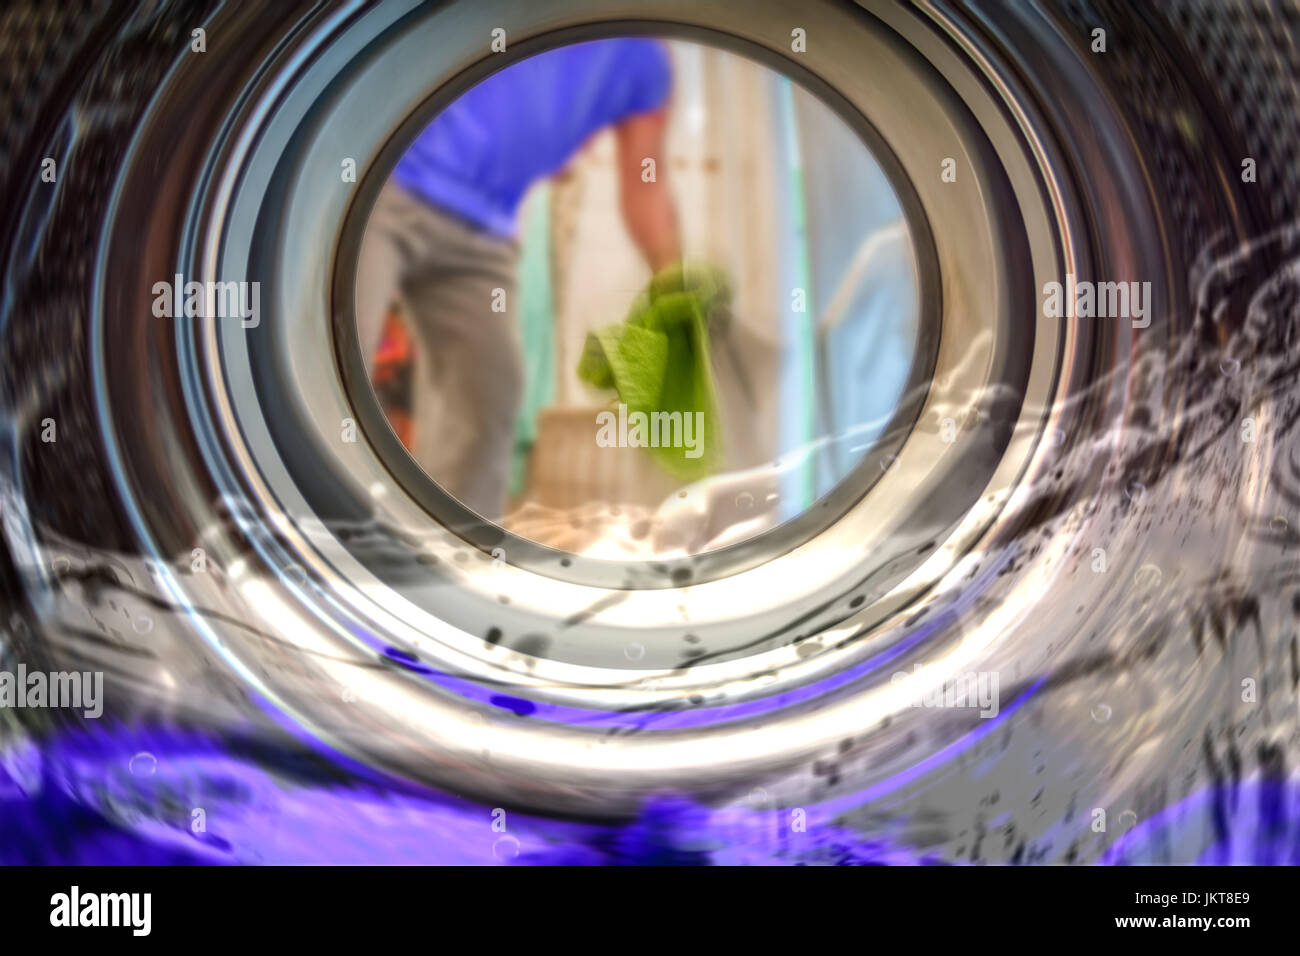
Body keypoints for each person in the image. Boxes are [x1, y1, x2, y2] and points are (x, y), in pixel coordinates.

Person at [356, 38, 680, 519]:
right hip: (387, 180)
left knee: (491, 395)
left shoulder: (649, 64)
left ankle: (452, 560)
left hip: (488, 227)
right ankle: (297, 531)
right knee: (333, 349)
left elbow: (646, 187)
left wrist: (674, 288)